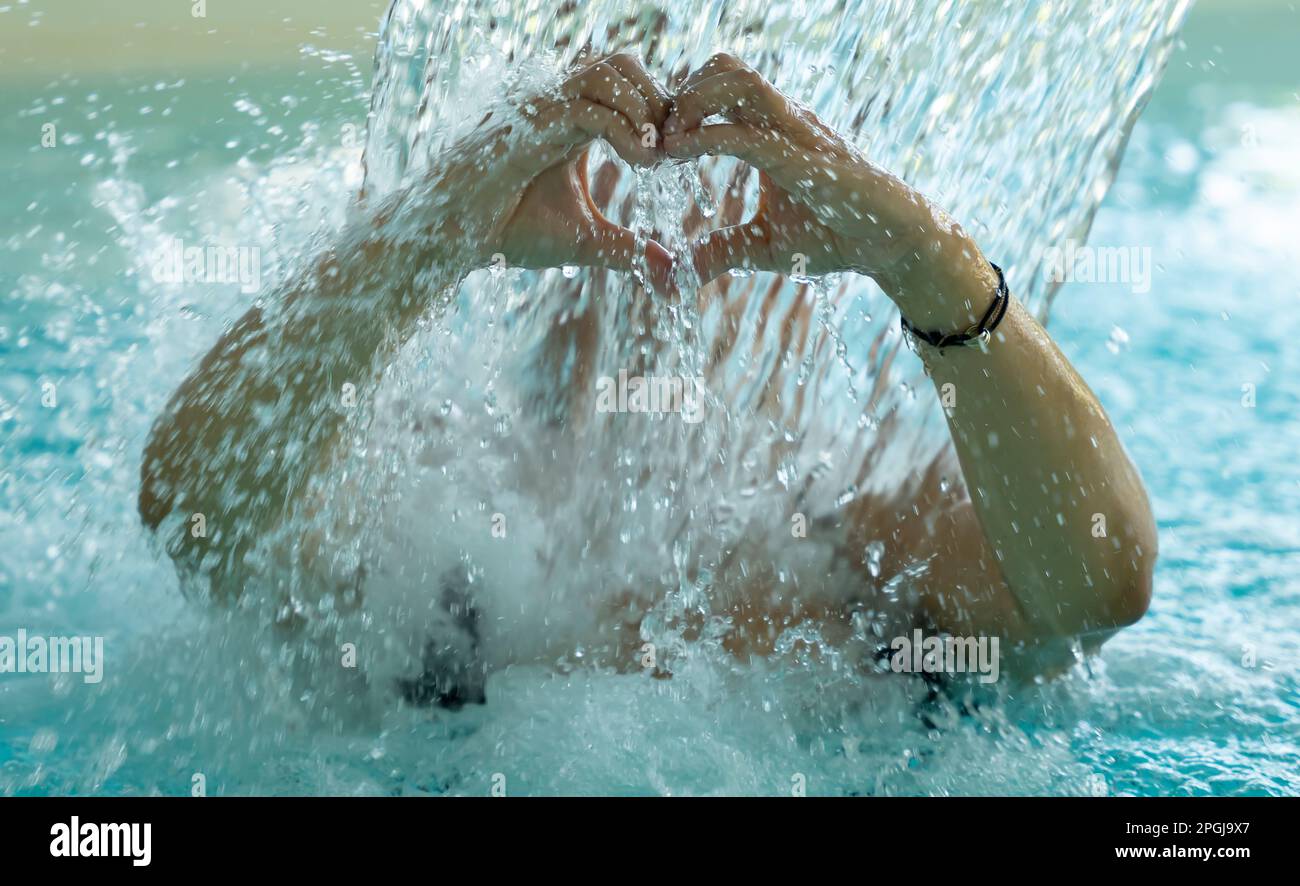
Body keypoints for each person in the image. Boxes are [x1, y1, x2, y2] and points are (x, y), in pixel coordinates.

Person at [138, 52, 1156, 704]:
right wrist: (435, 235)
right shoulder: (438, 510)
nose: (667, 260)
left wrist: (925, 262)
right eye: (614, 174)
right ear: (541, 266)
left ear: (803, 282)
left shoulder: (874, 536)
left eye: (729, 194)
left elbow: (1099, 589)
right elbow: (194, 510)